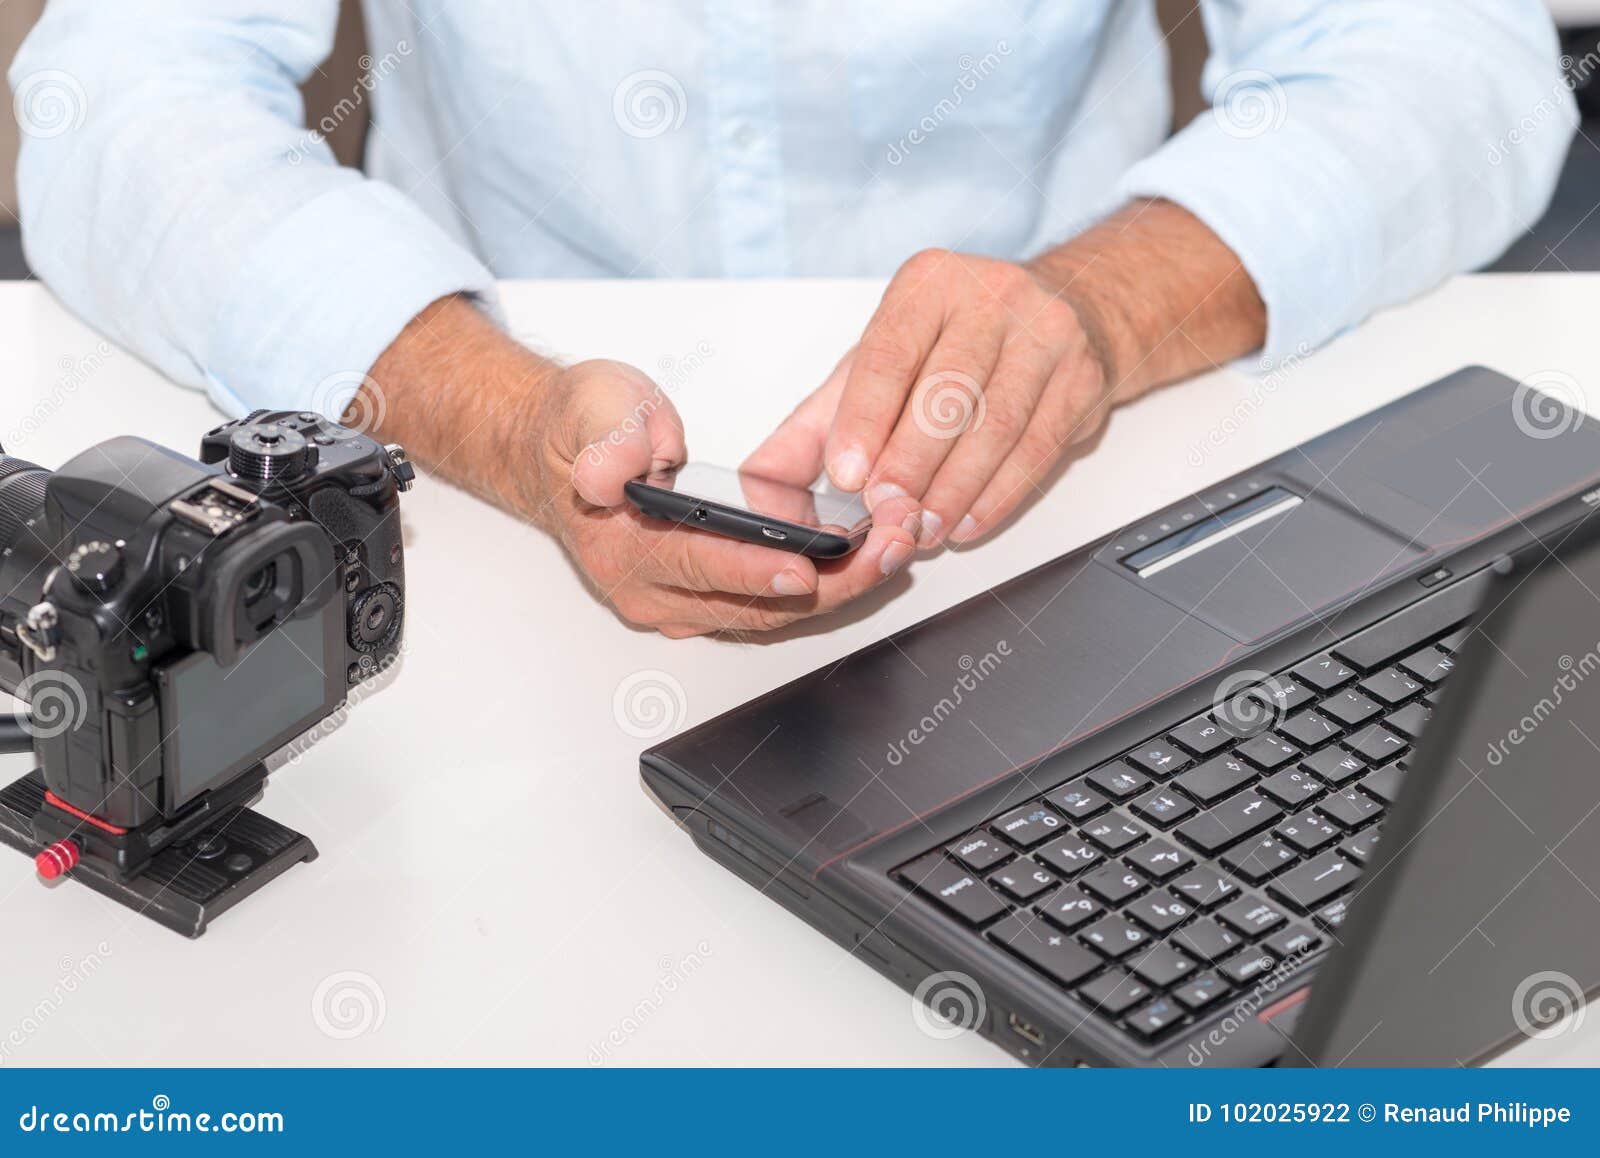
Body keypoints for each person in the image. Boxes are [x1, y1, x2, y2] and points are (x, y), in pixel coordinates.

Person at [11, 2, 1574, 637]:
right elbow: (116, 92)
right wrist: (493, 411)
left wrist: (1092, 319)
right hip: (460, 508)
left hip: (1073, 501)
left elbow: (1441, 58)